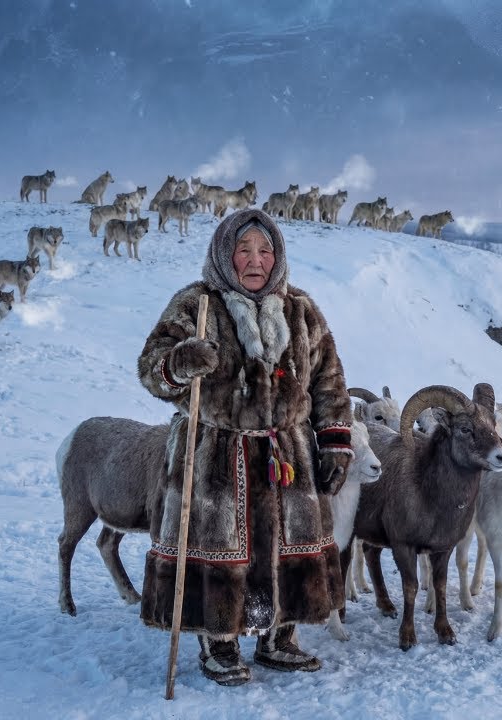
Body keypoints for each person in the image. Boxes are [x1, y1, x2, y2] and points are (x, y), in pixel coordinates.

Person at [136, 208, 352, 686]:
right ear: (224, 254)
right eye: (244, 250)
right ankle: (219, 643)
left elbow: (329, 383)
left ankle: (279, 638)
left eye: (265, 250)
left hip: (286, 455)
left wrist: (335, 442)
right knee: (219, 547)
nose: (256, 260)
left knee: (287, 547)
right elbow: (152, 370)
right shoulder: (198, 306)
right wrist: (179, 363)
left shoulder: (301, 310)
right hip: (215, 451)